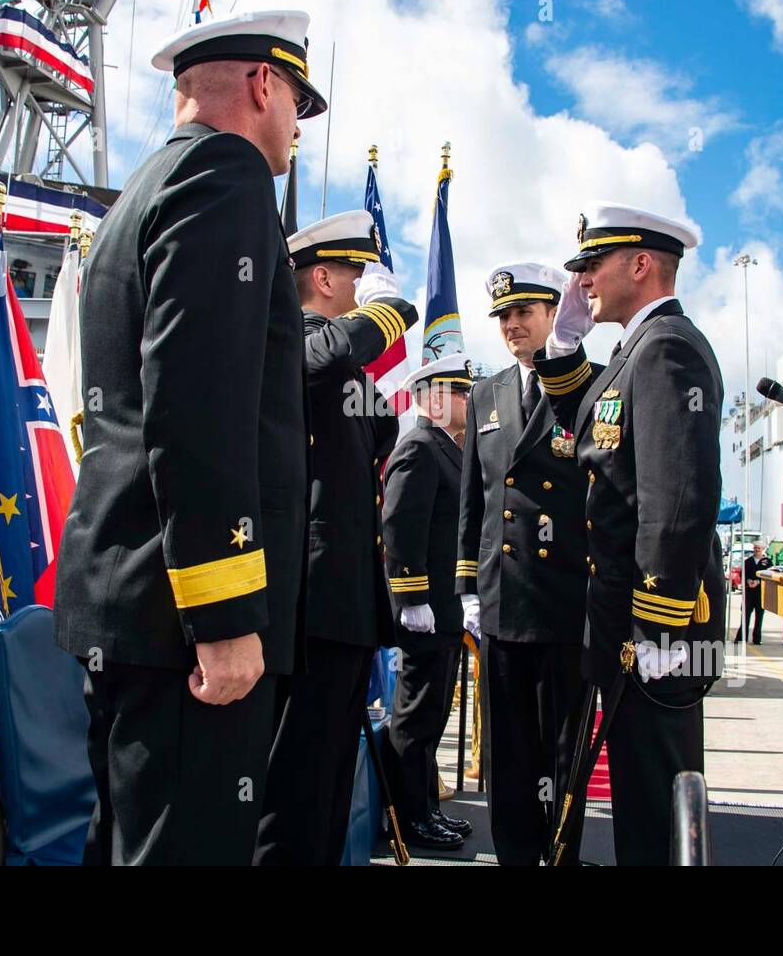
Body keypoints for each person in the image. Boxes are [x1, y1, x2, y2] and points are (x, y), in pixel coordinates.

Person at [54, 10, 327, 865]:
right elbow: (197, 412)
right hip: (185, 629)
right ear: (261, 85)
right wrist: (222, 616)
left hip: (123, 599)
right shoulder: (227, 176)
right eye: (297, 105)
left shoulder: (140, 192)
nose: (295, 132)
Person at [533, 203, 726, 866]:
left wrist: (663, 625)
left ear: (641, 265)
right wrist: (561, 349)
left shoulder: (668, 347)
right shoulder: (634, 350)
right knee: (637, 809)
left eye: (594, 265)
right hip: (625, 625)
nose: (583, 280)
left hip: (653, 629)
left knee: (655, 807)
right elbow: (592, 427)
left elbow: (679, 499)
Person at [254, 213, 418, 865]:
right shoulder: (294, 340)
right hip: (309, 612)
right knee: (292, 795)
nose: (361, 286)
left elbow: (380, 431)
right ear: (322, 277)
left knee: (327, 792)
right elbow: (319, 357)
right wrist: (389, 315)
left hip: (343, 612)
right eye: (354, 274)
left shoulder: (340, 367)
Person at [455, 262, 597, 866]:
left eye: (524, 313)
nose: (513, 325)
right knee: (509, 753)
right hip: (504, 599)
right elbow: (473, 502)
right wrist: (468, 588)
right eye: (504, 317)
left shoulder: (590, 386)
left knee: (564, 750)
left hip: (566, 600)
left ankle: (560, 855)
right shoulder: (484, 394)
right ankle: (515, 856)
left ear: (552, 315)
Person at [381, 354, 476, 849]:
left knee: (434, 713)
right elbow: (399, 525)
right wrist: (411, 597)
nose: (467, 399)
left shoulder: (448, 448)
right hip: (423, 610)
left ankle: (426, 806)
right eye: (459, 392)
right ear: (434, 399)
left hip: (444, 608)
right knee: (416, 715)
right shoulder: (418, 446)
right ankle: (408, 815)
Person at [737, 541, 772, 645]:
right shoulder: (747, 561)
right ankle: (741, 637)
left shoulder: (768, 562)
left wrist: (758, 582)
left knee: (759, 616)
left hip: (760, 592)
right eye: (755, 548)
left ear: (763, 550)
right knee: (745, 615)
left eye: (759, 548)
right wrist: (748, 581)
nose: (757, 550)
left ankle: (757, 638)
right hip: (749, 592)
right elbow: (742, 574)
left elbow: (770, 575)